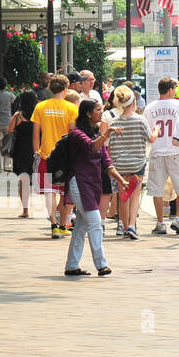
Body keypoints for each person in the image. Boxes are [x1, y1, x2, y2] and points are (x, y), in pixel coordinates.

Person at [64, 98, 129, 277]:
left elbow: (107, 162)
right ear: (88, 113)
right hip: (79, 184)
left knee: (81, 227)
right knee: (95, 223)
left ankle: (72, 266)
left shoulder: (94, 134)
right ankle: (102, 265)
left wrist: (121, 180)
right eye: (98, 109)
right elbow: (91, 147)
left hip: (92, 186)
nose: (102, 112)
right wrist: (107, 133)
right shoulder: (77, 134)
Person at [32, 74, 77, 236]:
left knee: (50, 192)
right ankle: (64, 225)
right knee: (66, 192)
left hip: (46, 154)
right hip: (66, 156)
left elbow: (36, 133)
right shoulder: (72, 108)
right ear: (66, 88)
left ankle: (53, 225)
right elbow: (73, 132)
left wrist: (36, 151)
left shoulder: (41, 107)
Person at [105, 86, 149, 240]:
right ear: (134, 103)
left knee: (123, 197)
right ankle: (132, 225)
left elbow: (110, 145)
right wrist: (156, 131)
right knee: (135, 196)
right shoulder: (141, 120)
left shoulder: (115, 121)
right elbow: (150, 138)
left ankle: (124, 228)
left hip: (120, 165)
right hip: (137, 164)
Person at [143, 77, 179, 234]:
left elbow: (148, 129)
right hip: (175, 151)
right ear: (170, 90)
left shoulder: (150, 107)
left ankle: (160, 222)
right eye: (174, 89)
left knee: (157, 189)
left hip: (157, 150)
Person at [9, 91, 38, 218]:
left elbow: (10, 131)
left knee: (23, 181)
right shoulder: (38, 115)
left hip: (20, 151)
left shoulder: (18, 116)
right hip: (36, 149)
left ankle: (25, 210)